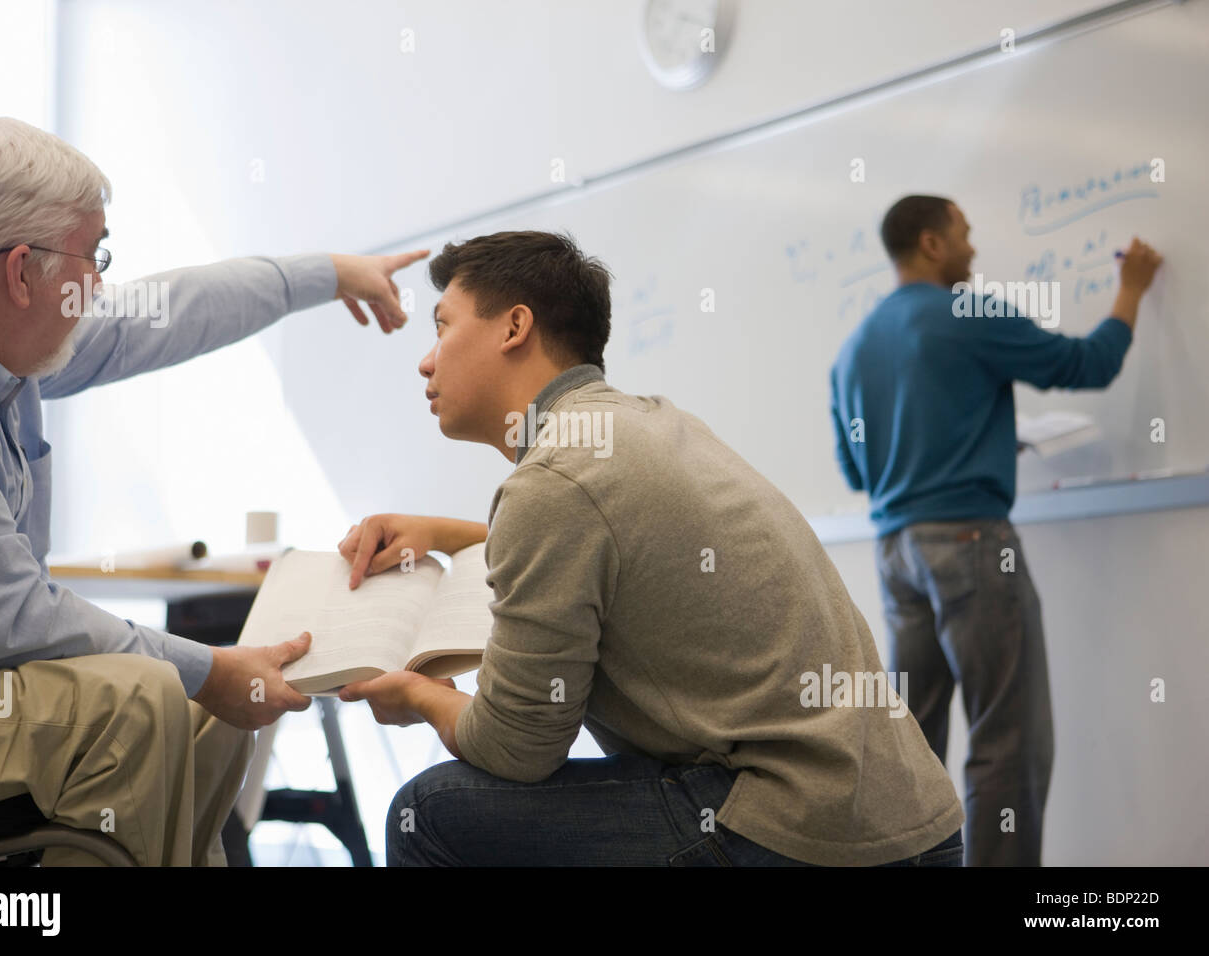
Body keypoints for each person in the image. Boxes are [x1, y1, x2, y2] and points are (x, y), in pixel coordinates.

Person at [336, 230, 965, 867]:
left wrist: (419, 696)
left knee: (433, 813)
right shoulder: (648, 425)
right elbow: (617, 548)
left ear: (513, 327)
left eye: (442, 326)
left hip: (794, 831)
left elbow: (515, 746)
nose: (426, 360)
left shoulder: (554, 483)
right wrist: (445, 534)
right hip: (915, 824)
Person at [0, 117, 427, 865]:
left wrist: (330, 273)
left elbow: (169, 312)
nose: (102, 282)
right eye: (96, 255)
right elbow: (8, 621)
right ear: (21, 273)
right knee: (155, 695)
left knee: (210, 711)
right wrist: (211, 669)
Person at [829, 195, 1163, 865]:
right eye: (965, 235)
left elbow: (856, 470)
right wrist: (1130, 292)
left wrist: (958, 442)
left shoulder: (854, 349)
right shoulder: (966, 313)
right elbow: (1085, 365)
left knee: (913, 751)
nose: (974, 250)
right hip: (972, 547)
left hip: (898, 557)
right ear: (930, 243)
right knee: (1006, 744)